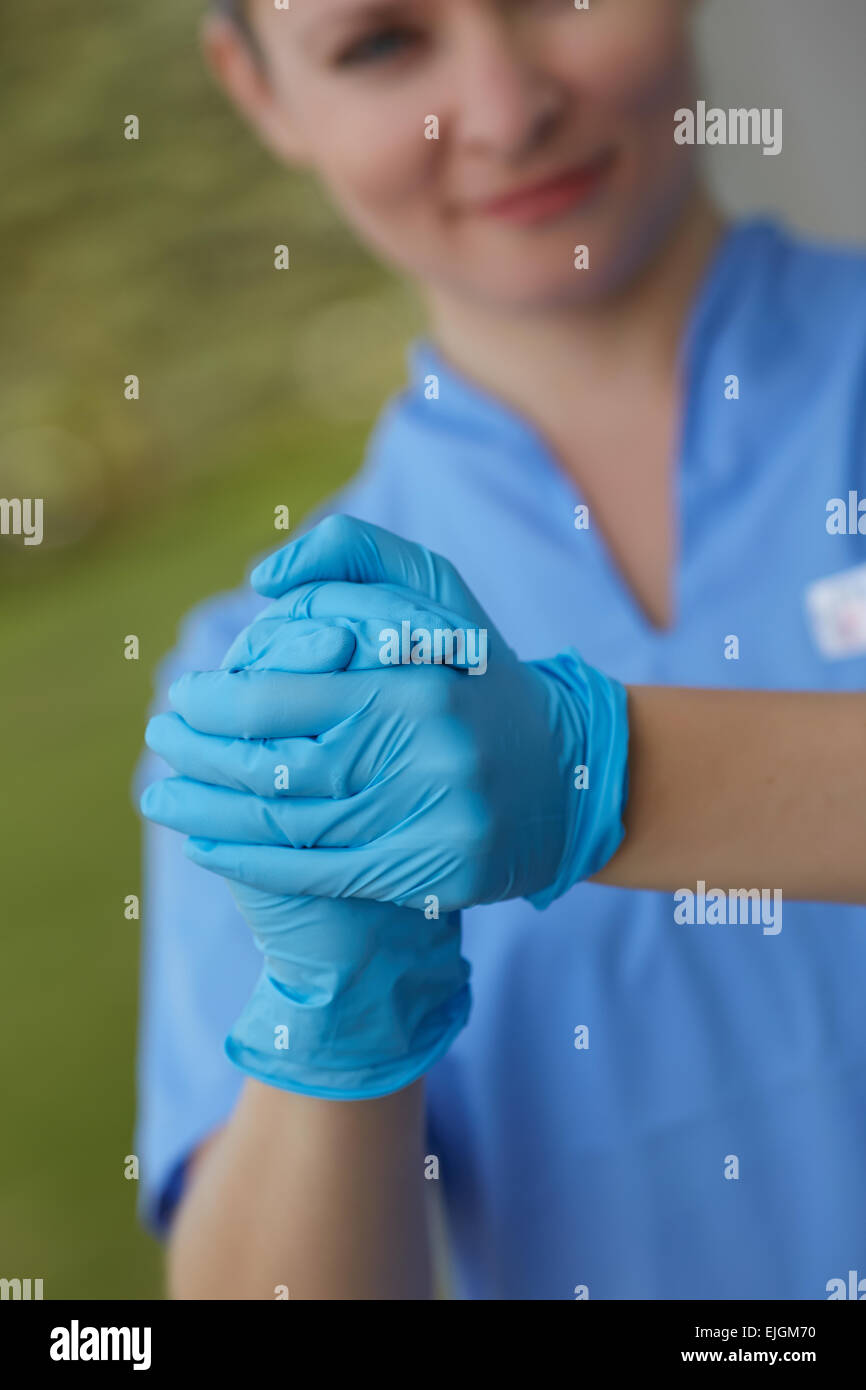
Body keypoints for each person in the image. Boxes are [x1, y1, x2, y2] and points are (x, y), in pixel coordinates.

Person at [136, 0, 866, 1299]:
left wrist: (595, 777)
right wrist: (334, 1037)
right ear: (257, 92)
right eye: (380, 44)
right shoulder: (275, 693)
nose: (503, 106)